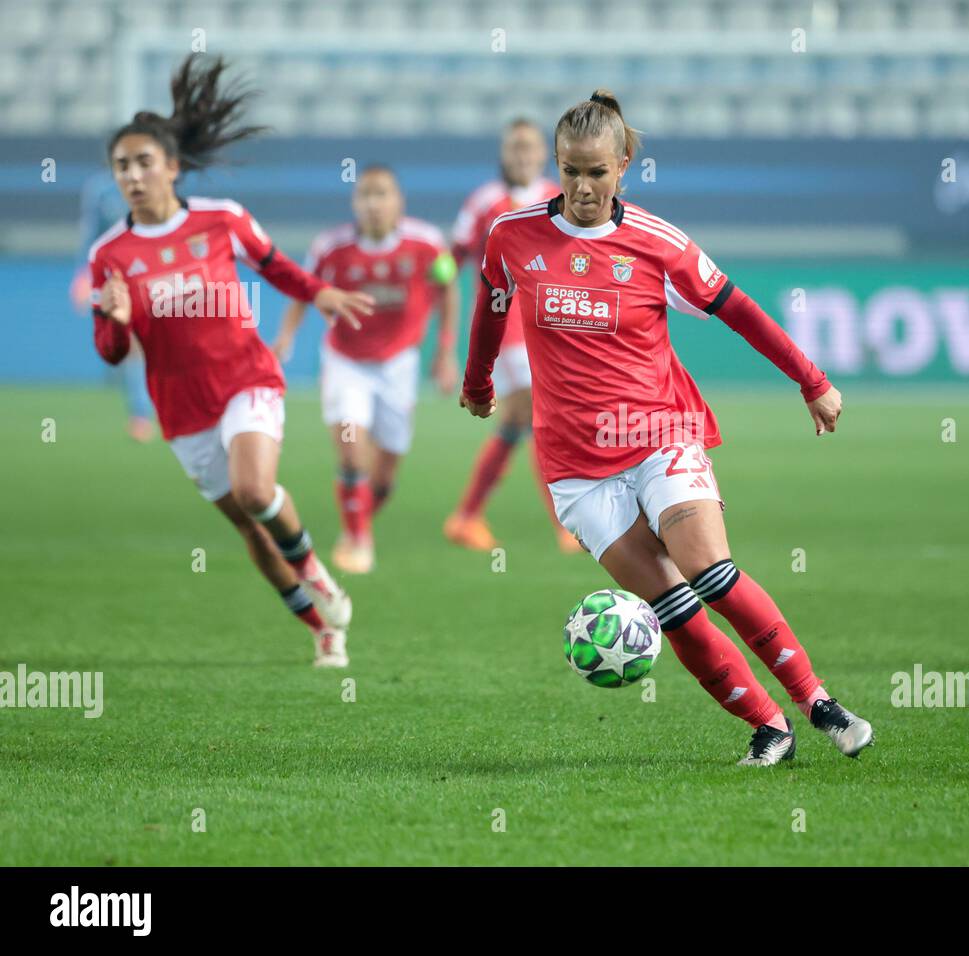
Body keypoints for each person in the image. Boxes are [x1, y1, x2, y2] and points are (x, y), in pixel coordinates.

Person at [461, 91, 874, 766]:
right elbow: (491, 307)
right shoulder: (513, 236)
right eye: (570, 171)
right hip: (574, 466)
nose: (583, 187)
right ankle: (770, 728)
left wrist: (811, 379)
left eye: (597, 171)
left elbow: (741, 311)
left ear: (624, 164)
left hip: (657, 433)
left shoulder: (658, 244)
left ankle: (818, 700)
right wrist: (477, 382)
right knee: (672, 604)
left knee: (708, 569)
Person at [90, 54, 374, 667]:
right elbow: (111, 350)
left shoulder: (222, 220)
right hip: (181, 405)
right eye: (121, 166)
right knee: (248, 526)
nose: (133, 175)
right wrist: (113, 323)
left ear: (171, 166)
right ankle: (319, 627)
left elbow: (276, 268)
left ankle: (320, 576)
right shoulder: (109, 255)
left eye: (144, 162)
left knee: (254, 489)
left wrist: (317, 291)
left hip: (246, 378)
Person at [274, 164, 459, 574]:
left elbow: (447, 290)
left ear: (399, 202)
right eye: (366, 195)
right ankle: (359, 540)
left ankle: (355, 524)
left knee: (385, 477)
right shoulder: (331, 248)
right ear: (355, 203)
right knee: (352, 450)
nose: (374, 204)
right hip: (346, 362)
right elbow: (305, 291)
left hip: (399, 364)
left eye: (382, 194)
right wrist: (286, 337)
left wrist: (445, 352)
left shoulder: (426, 244)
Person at [444, 119, 579, 553]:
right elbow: (451, 260)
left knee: (524, 420)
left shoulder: (555, 199)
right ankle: (564, 525)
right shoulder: (485, 202)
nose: (521, 154)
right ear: (504, 153)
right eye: (514, 147)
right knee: (537, 416)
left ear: (545, 155)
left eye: (529, 147)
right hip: (507, 329)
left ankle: (467, 517)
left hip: (550, 328)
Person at [71, 170, 155, 441]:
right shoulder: (101, 190)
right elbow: (90, 234)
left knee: (138, 347)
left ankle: (141, 413)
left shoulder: (156, 183)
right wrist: (82, 275)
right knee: (129, 346)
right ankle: (140, 412)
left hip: (148, 273)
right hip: (112, 277)